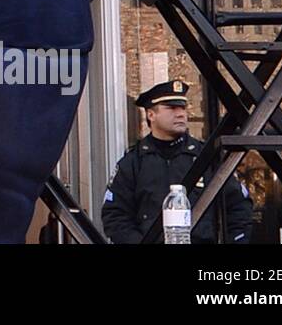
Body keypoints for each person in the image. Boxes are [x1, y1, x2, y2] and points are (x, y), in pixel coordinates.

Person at [101, 80, 253, 244]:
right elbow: (115, 216)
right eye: (172, 108)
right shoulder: (133, 162)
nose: (181, 114)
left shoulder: (207, 157)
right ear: (151, 115)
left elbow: (239, 206)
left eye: (183, 108)